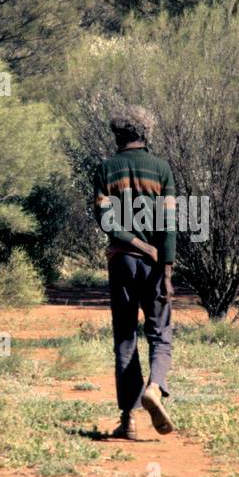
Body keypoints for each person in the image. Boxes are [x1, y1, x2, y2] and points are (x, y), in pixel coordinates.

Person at [92, 104, 176, 440]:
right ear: (146, 133)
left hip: (121, 262)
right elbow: (169, 224)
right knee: (160, 334)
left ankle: (127, 419)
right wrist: (165, 267)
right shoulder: (161, 169)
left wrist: (133, 244)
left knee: (125, 336)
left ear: (118, 134)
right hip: (155, 265)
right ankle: (154, 387)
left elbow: (106, 220)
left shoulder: (106, 169)